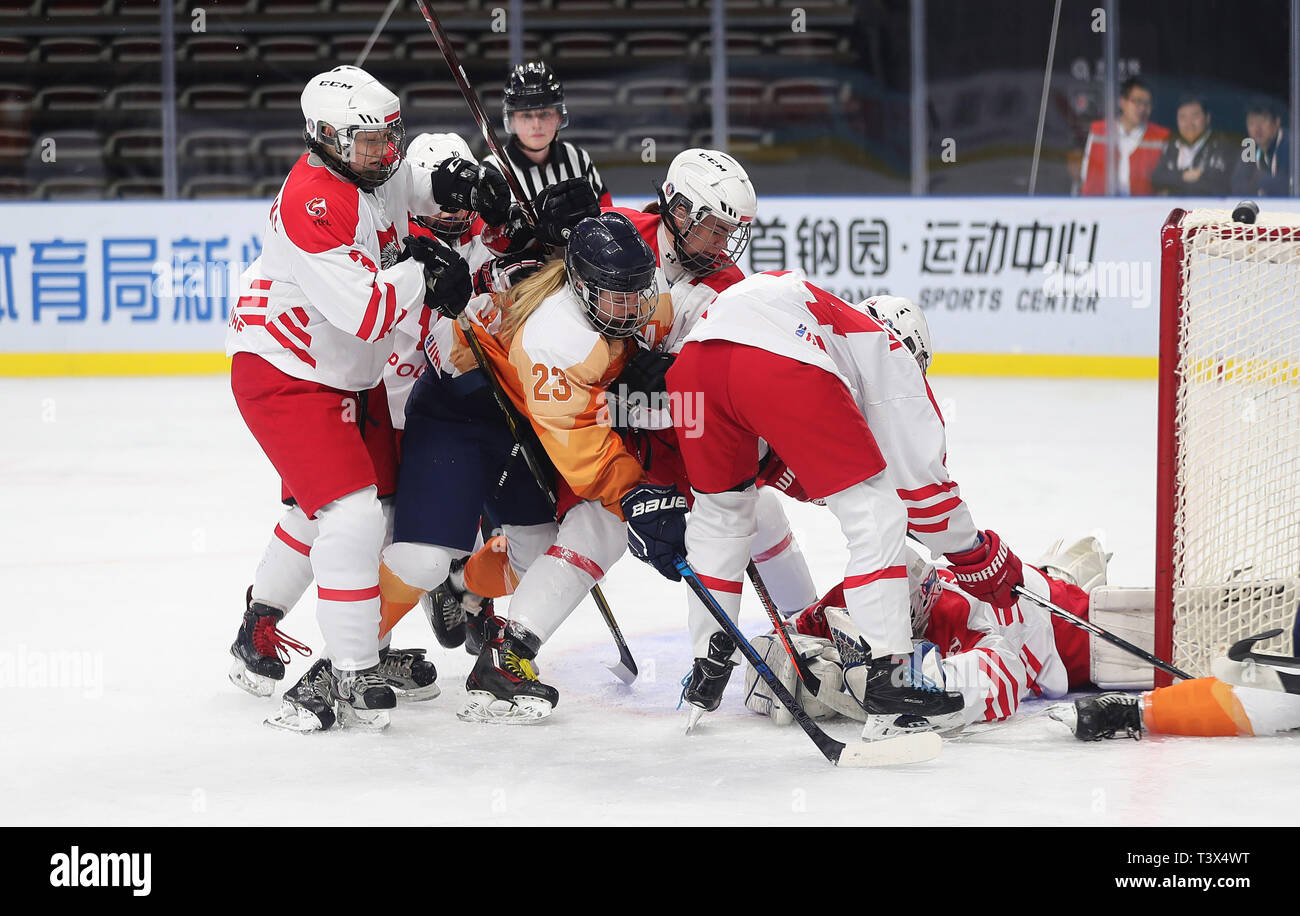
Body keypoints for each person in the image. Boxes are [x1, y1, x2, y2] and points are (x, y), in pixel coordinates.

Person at [225, 65, 509, 732]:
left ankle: (260, 626)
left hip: (347, 371)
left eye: (390, 138)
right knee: (350, 515)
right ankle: (353, 668)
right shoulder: (314, 202)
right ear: (326, 139)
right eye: (369, 143)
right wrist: (428, 267)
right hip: (288, 372)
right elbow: (371, 310)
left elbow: (425, 171)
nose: (386, 153)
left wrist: (468, 178)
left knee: (372, 512)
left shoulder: (370, 169)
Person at [637, 270, 1032, 741]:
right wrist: (977, 555)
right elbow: (926, 499)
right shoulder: (887, 350)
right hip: (773, 363)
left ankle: (708, 662)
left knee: (722, 513)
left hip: (696, 368)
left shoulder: (822, 325)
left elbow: (768, 447)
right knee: (878, 514)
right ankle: (890, 679)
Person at [376, 211, 659, 723]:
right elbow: (587, 459)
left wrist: (627, 358)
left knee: (533, 565)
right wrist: (640, 497)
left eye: (636, 293)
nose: (630, 306)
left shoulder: (589, 300)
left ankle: (461, 587)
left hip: (516, 420)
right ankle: (350, 659)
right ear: (585, 287)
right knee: (424, 557)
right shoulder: (559, 336)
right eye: (618, 295)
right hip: (459, 414)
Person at [745, 537, 1111, 729]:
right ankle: (1058, 570)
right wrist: (796, 658)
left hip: (1048, 627)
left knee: (1099, 626)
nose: (878, 626)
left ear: (923, 603)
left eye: (894, 616)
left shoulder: (962, 612)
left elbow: (1008, 676)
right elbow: (783, 638)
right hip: (1016, 595)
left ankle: (1063, 574)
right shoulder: (851, 594)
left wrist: (919, 684)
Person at [482, 60, 612, 208]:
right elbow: (484, 230)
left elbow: (607, 215)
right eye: (526, 116)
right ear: (511, 121)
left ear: (559, 116)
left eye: (545, 114)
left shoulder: (578, 158)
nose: (536, 125)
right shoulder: (493, 170)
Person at [1079, 77, 1170, 196]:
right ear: (1122, 102)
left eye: (1147, 104)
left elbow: (1165, 184)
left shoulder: (1160, 136)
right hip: (1100, 207)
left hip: (1143, 210)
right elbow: (1085, 174)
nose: (1142, 108)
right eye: (1137, 101)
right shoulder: (1099, 131)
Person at [1151, 95, 1233, 196]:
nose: (1189, 123)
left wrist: (1173, 185)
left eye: (1195, 116)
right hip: (1174, 209)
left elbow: (1220, 185)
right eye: (1183, 117)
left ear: (1207, 118)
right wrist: (1183, 176)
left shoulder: (1223, 145)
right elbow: (1156, 178)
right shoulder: (1172, 144)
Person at [1230, 97, 1291, 196]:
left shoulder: (1292, 146)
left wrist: (1259, 179)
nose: (1257, 129)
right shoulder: (1250, 147)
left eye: (1262, 121)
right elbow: (1238, 186)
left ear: (1277, 122)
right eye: (1252, 123)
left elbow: (1287, 186)